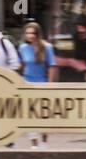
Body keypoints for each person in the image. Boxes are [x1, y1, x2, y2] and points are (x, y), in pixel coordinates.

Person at [18, 21, 57, 149]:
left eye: (33, 33)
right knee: (29, 114)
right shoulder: (23, 48)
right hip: (27, 83)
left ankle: (44, 141)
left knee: (43, 113)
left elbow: (52, 66)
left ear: (38, 34)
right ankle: (33, 143)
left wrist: (50, 84)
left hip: (42, 83)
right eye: (28, 33)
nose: (30, 36)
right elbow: (21, 66)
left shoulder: (47, 47)